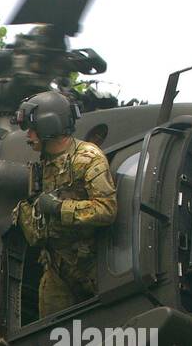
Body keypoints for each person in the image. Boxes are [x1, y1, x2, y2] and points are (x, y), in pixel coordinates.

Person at [13, 91, 118, 317]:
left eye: (32, 129)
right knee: (52, 339)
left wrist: (61, 208)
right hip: (56, 270)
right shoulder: (42, 165)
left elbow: (107, 209)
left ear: (49, 126)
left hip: (92, 269)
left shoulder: (88, 158)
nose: (28, 135)